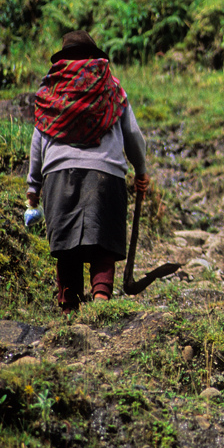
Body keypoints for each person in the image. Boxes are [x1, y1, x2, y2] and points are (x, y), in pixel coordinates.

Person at [26, 30, 149, 313]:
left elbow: (38, 141)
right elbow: (132, 133)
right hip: (106, 175)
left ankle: (69, 307)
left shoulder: (50, 92)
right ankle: (101, 299)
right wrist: (141, 169)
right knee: (103, 240)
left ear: (63, 58)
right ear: (94, 56)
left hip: (59, 175)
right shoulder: (111, 87)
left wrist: (33, 186)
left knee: (66, 246)